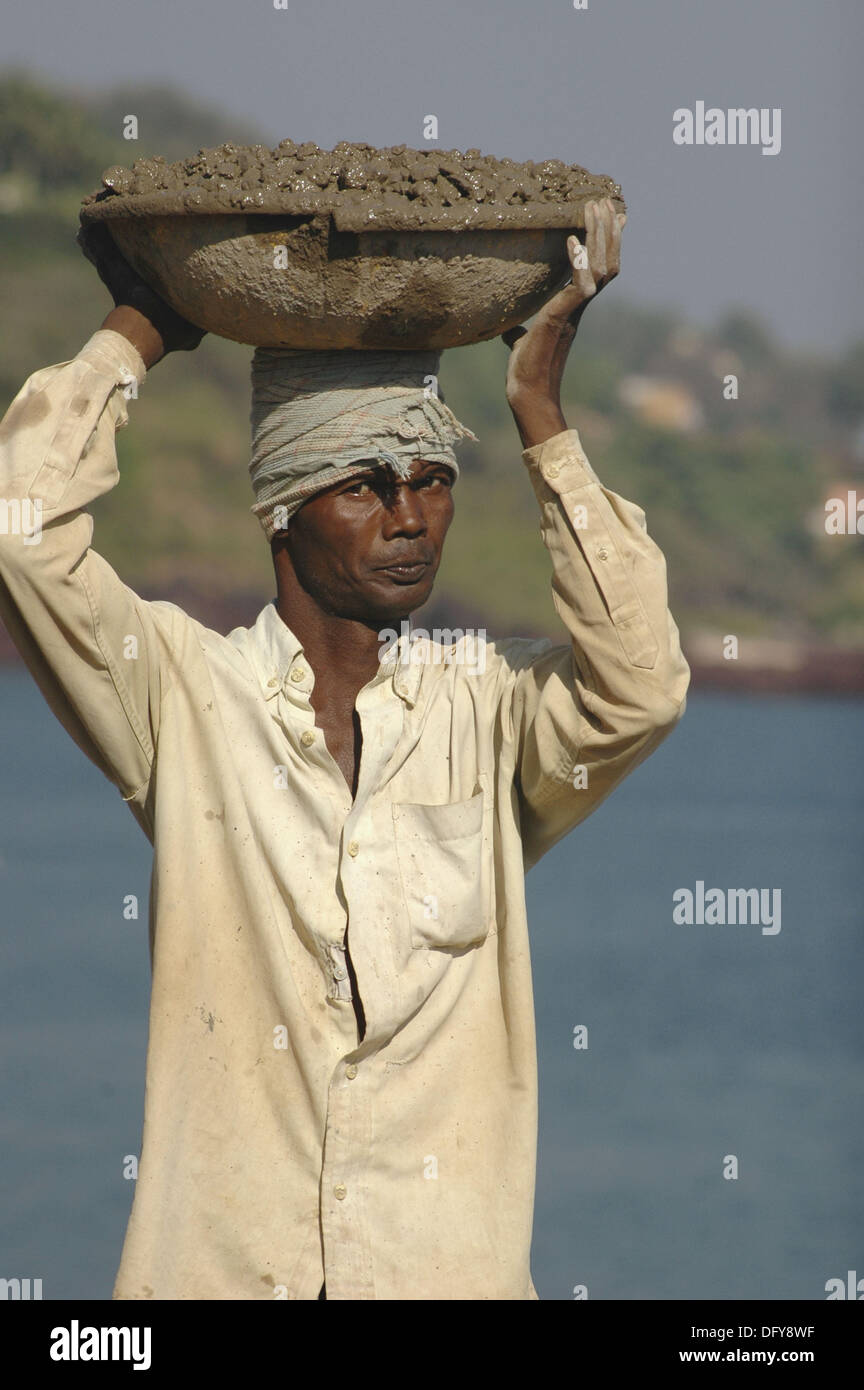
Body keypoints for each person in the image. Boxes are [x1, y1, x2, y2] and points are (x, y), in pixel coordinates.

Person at [0, 198, 689, 1300]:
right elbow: (21, 530)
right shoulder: (185, 698)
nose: (411, 517)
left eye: (431, 480)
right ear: (283, 511)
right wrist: (136, 328)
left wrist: (541, 418)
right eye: (366, 486)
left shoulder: (489, 710)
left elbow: (644, 683)